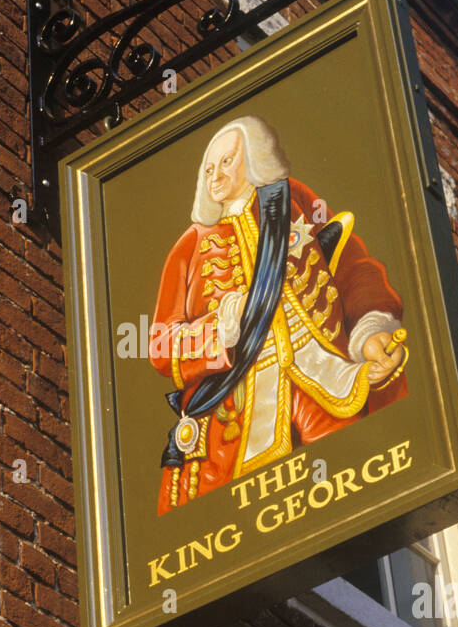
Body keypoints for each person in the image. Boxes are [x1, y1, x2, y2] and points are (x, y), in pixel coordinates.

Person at [150, 115, 409, 515]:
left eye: (226, 161)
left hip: (323, 379)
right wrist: (220, 329)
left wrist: (370, 327)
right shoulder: (190, 246)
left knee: (364, 490)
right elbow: (161, 345)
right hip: (235, 413)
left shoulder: (292, 200)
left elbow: (352, 267)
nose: (215, 174)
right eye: (208, 168)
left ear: (253, 157)